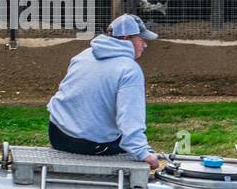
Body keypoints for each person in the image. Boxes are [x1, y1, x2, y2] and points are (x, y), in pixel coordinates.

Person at [47, 14, 161, 169]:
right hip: (86, 145)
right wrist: (144, 153)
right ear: (126, 38)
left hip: (57, 134)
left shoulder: (84, 55)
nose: (145, 44)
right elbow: (129, 116)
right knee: (126, 142)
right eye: (141, 38)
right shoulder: (129, 69)